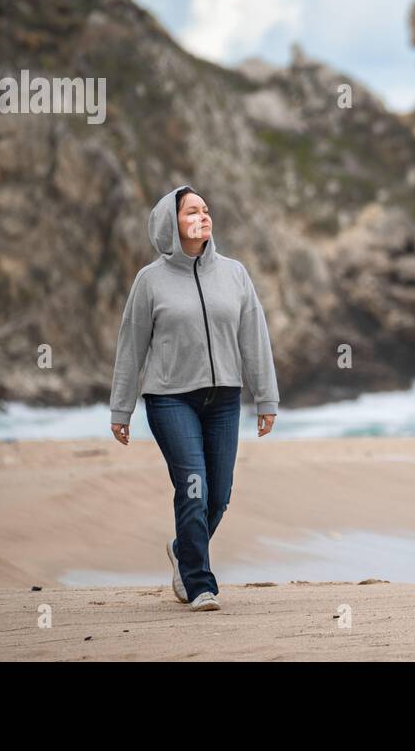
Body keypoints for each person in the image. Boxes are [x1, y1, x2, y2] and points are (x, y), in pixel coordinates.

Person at [108, 184, 280, 612]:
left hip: (224, 400)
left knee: (218, 495)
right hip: (170, 399)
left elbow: (254, 337)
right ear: (171, 223)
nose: (202, 217)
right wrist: (121, 407)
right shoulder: (149, 281)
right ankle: (200, 584)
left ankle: (182, 549)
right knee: (193, 489)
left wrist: (266, 397)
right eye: (191, 212)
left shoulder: (234, 274)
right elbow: (131, 346)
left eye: (205, 210)